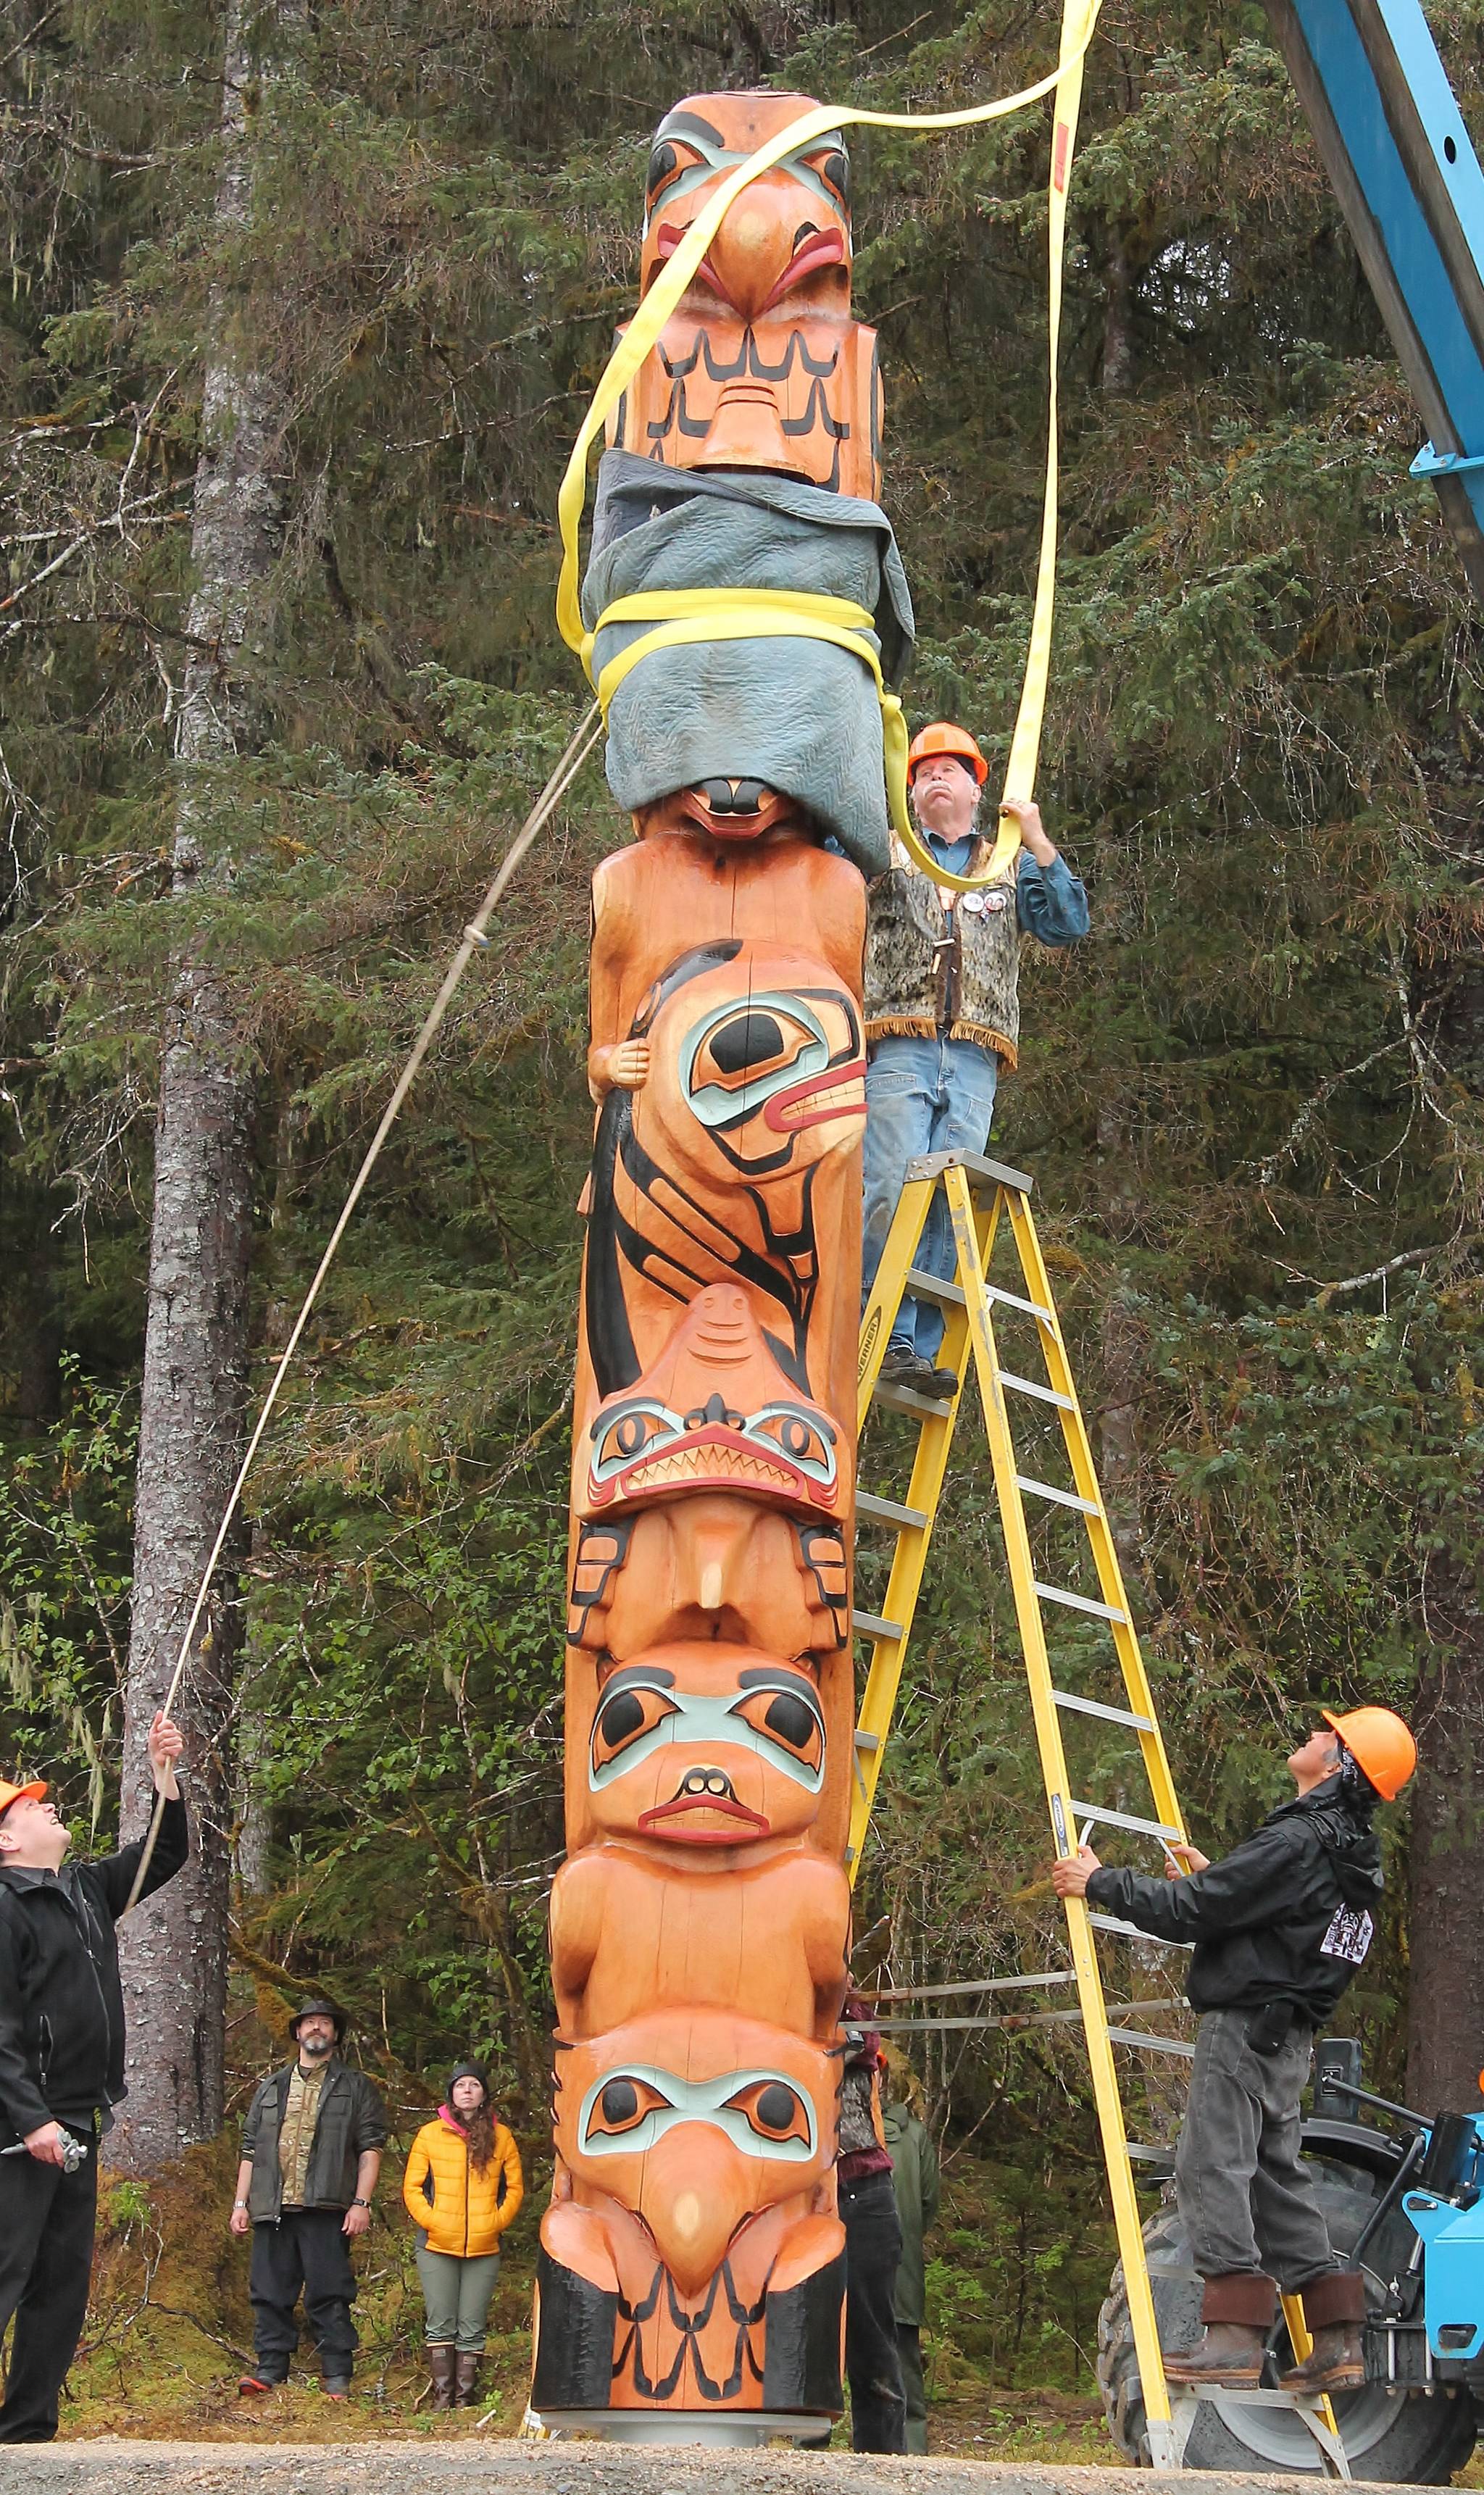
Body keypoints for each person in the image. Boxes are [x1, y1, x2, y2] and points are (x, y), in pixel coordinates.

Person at [1051, 1704, 1416, 2392]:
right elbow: (1293, 1930)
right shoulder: (1351, 1855)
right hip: (1288, 2038)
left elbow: (1190, 1910)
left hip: (1246, 2027)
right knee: (1275, 2178)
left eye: (1328, 1734)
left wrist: (1098, 1881)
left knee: (1209, 2163)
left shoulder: (1298, 1840)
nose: (1313, 1734)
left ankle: (1233, 2337)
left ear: (1339, 1764)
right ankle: (1338, 2337)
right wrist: (1225, 1879)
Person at [862, 723, 1088, 1397]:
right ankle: (883, 1333)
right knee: (890, 1185)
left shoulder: (1008, 861)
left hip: (973, 1058)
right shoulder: (886, 852)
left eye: (950, 769)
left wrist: (1039, 839)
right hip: (900, 1044)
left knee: (945, 1202)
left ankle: (921, 1348)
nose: (936, 777)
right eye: (924, 771)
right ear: (910, 791)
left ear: (975, 789)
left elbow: (1067, 924)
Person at [0, 1710, 188, 2442]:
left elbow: (162, 1853)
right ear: (6, 1839)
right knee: (7, 2270)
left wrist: (165, 1776)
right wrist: (31, 2119)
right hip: (21, 2127)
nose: (46, 1802)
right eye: (28, 1803)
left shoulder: (83, 1888)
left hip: (79, 2118)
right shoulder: (4, 1909)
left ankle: (25, 2430)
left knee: (61, 2282)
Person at [231, 1997, 388, 2399]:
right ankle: (270, 2369)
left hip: (327, 2207)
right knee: (269, 2292)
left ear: (335, 2034)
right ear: (297, 2032)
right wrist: (241, 2204)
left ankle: (336, 2373)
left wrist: (361, 2203)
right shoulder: (272, 2086)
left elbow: (370, 2147)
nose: (317, 2028)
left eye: (325, 2023)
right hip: (272, 2207)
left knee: (329, 2291)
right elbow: (249, 2148)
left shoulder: (356, 2086)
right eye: (309, 2022)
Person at [401, 2059, 524, 2412]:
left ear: (484, 2093)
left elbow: (514, 2188)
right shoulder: (430, 2134)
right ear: (451, 2094)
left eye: (474, 2085)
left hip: (484, 2246)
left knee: (472, 2324)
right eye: (460, 2085)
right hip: (437, 2244)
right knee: (440, 2322)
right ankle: (443, 2398)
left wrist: (495, 2222)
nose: (467, 2091)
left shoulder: (502, 2137)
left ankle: (464, 2399)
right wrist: (433, 2221)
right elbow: (412, 2188)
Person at [883, 2058, 940, 2454]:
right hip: (898, 2263)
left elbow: (927, 2203)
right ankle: (912, 2448)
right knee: (903, 2358)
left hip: (862, 2261)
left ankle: (811, 2445)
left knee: (830, 2349)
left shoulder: (833, 2124)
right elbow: (928, 2203)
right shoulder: (915, 2136)